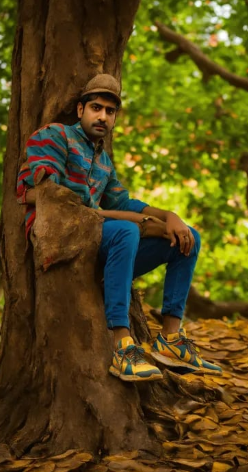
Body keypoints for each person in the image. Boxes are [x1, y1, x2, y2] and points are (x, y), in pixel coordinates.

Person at [16, 73, 223, 382]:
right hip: (58, 241)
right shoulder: (55, 135)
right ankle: (123, 345)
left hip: (99, 242)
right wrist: (135, 222)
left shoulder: (102, 160)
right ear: (80, 110)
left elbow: (124, 202)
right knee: (127, 230)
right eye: (96, 108)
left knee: (186, 238)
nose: (102, 116)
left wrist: (169, 217)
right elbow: (35, 193)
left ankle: (170, 339)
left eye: (109, 111)